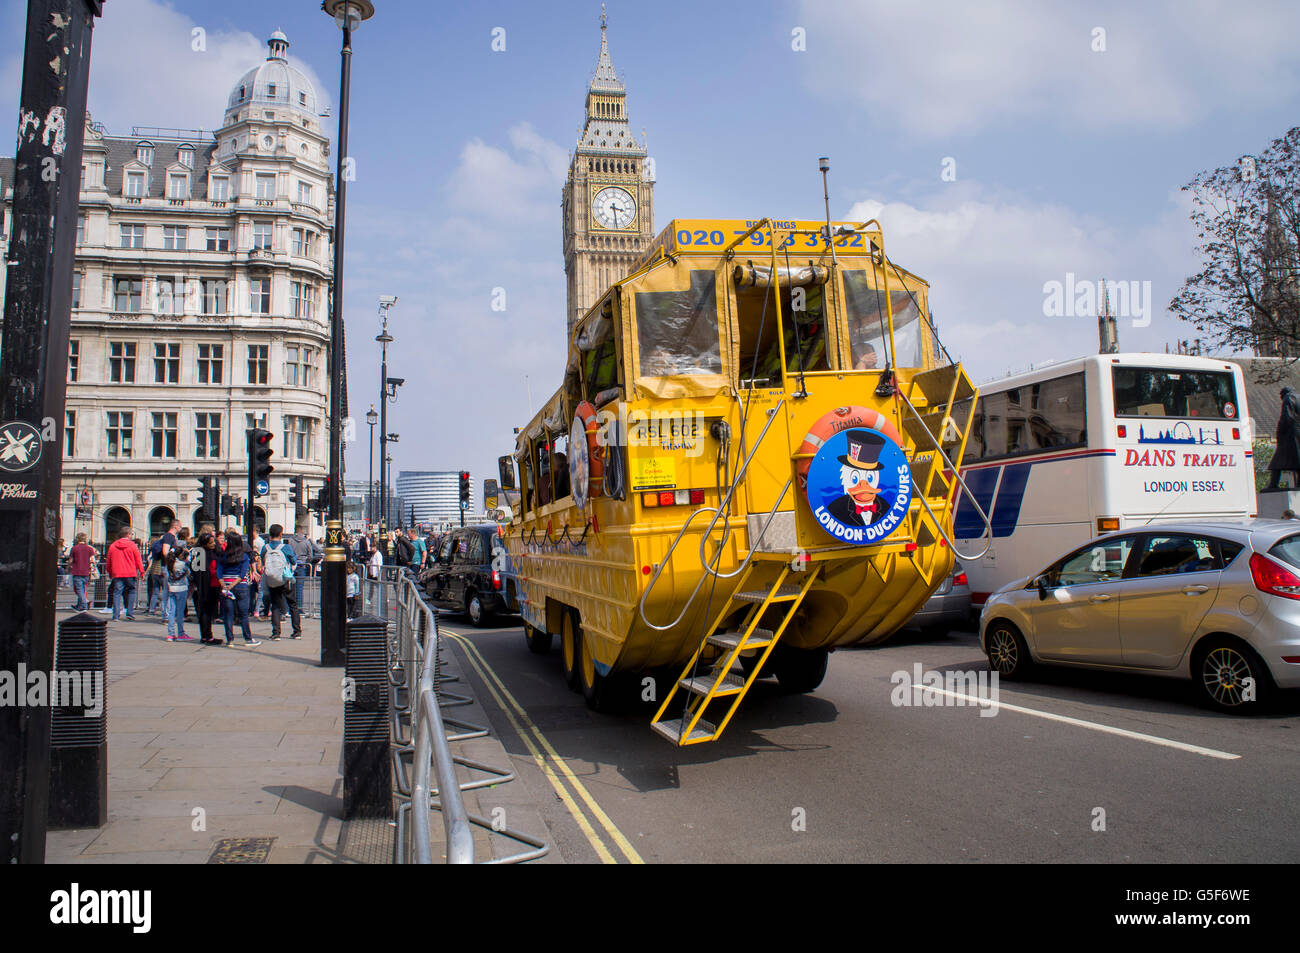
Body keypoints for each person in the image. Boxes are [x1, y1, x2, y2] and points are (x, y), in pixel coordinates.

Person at [825, 429, 888, 528]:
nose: (863, 484)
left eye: (869, 478)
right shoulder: (835, 509)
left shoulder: (886, 507)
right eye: (855, 478)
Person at [217, 530, 260, 647]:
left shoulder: (224, 556)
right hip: (240, 586)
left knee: (228, 614)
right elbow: (242, 574)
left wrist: (225, 585)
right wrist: (233, 584)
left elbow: (219, 572)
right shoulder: (244, 556)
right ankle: (248, 639)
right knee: (243, 614)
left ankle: (230, 640)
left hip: (226, 587)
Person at [259, 524, 301, 641]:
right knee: (292, 604)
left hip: (272, 579)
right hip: (285, 579)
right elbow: (293, 561)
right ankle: (297, 631)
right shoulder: (285, 547)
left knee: (275, 606)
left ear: (270, 534)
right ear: (281, 534)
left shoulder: (265, 548)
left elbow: (263, 562)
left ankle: (276, 633)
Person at [190, 531, 223, 645]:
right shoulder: (201, 553)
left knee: (207, 612)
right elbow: (196, 572)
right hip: (206, 586)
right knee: (205, 612)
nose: (213, 544)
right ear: (204, 544)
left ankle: (206, 635)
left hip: (211, 585)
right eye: (211, 542)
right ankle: (206, 636)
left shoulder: (210, 552)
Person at [106, 526, 144, 621]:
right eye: (131, 534)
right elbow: (138, 560)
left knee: (117, 593)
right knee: (131, 591)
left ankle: (116, 615)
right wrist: (141, 571)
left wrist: (110, 571)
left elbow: (108, 561)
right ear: (128, 534)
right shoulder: (132, 545)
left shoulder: (113, 545)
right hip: (130, 572)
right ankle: (129, 612)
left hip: (117, 572)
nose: (132, 536)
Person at [1268, 386, 1300, 489]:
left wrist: (1280, 432)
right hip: (1298, 433)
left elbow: (1286, 417)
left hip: (1289, 435)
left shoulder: (1288, 398)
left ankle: (1273, 484)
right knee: (1297, 459)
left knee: (1276, 462)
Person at [163, 550, 193, 642]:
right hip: (181, 588)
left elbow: (166, 575)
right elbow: (188, 573)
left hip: (172, 588)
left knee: (172, 611)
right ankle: (181, 633)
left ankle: (170, 634)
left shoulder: (169, 564)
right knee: (180, 612)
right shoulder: (182, 564)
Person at [69, 532, 96, 611]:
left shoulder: (74, 548)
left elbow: (70, 560)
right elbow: (92, 560)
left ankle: (84, 604)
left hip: (77, 571)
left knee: (78, 590)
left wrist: (69, 566)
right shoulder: (90, 548)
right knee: (83, 589)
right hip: (86, 571)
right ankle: (79, 605)